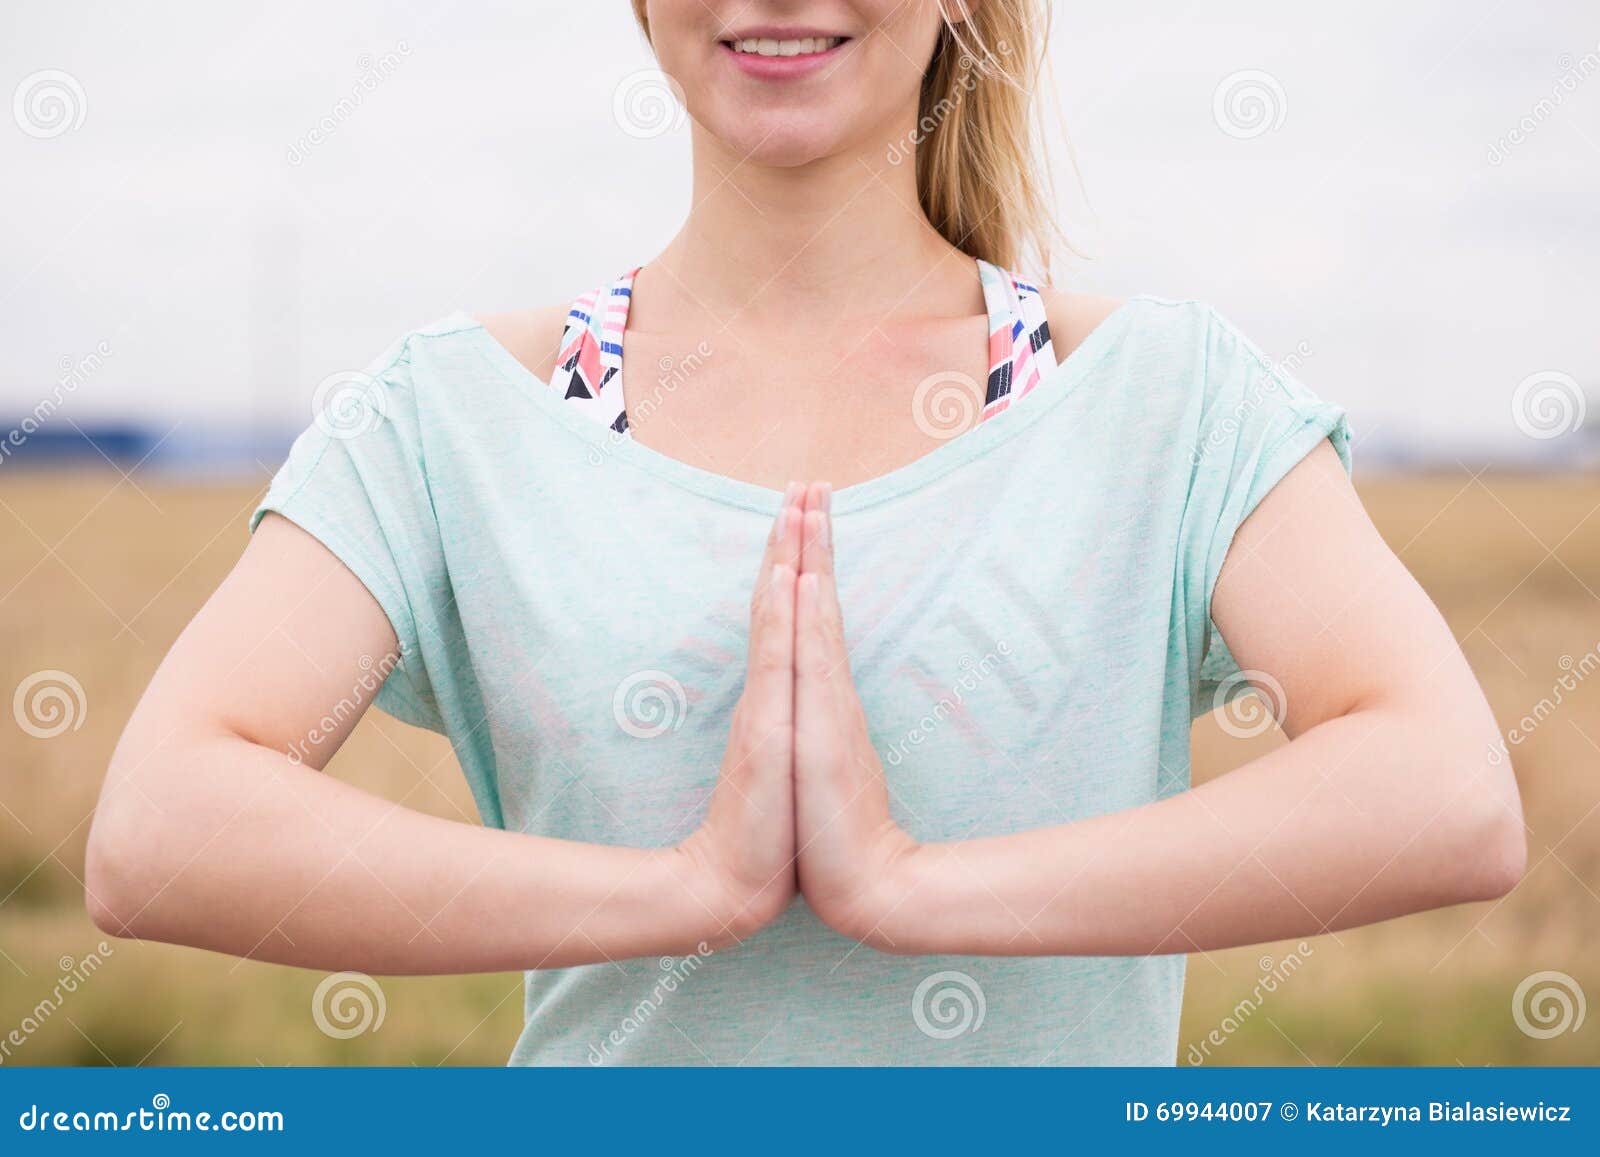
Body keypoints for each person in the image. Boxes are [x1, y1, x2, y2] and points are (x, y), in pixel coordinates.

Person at [86, 1, 1524, 1065]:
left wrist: (907, 883)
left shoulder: (1160, 396)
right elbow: (159, 831)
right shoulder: (458, 413)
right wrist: (680, 890)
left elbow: (1446, 792)